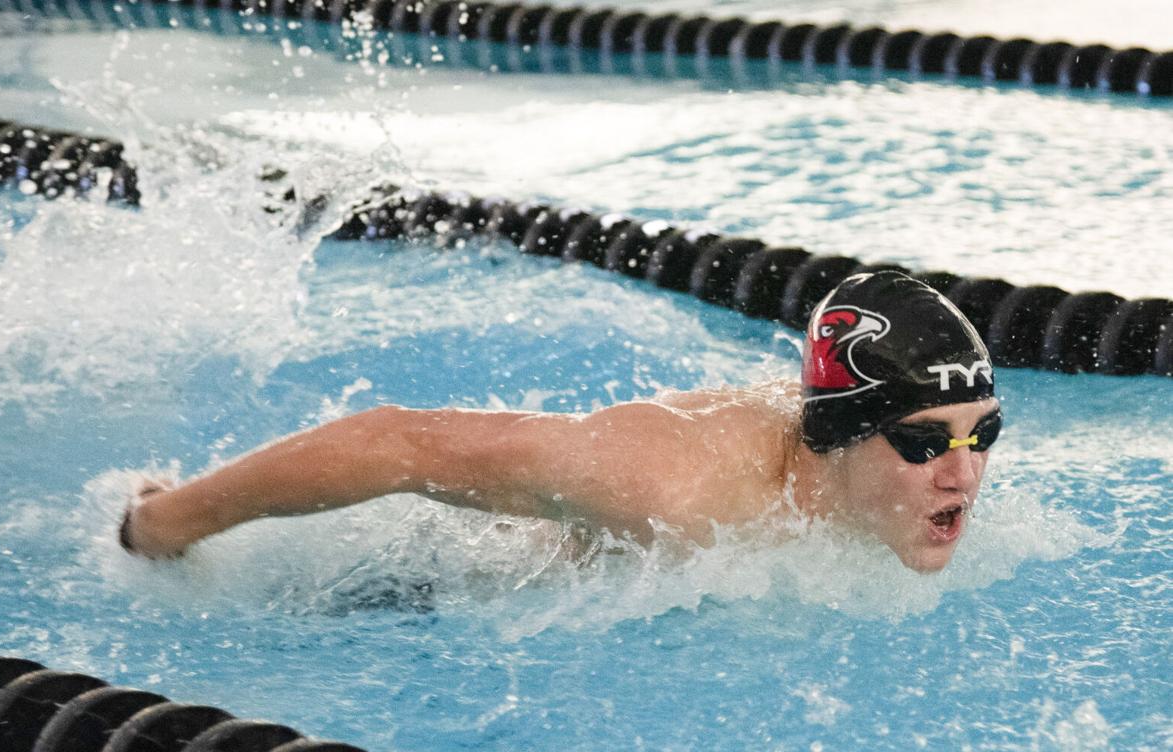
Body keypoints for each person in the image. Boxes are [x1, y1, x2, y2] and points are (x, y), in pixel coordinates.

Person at [119, 271, 1001, 573]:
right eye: (923, 443)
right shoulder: (670, 482)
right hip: (445, 588)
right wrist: (162, 524)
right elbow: (391, 441)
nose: (961, 473)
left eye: (983, 434)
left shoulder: (906, 479)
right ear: (836, 437)